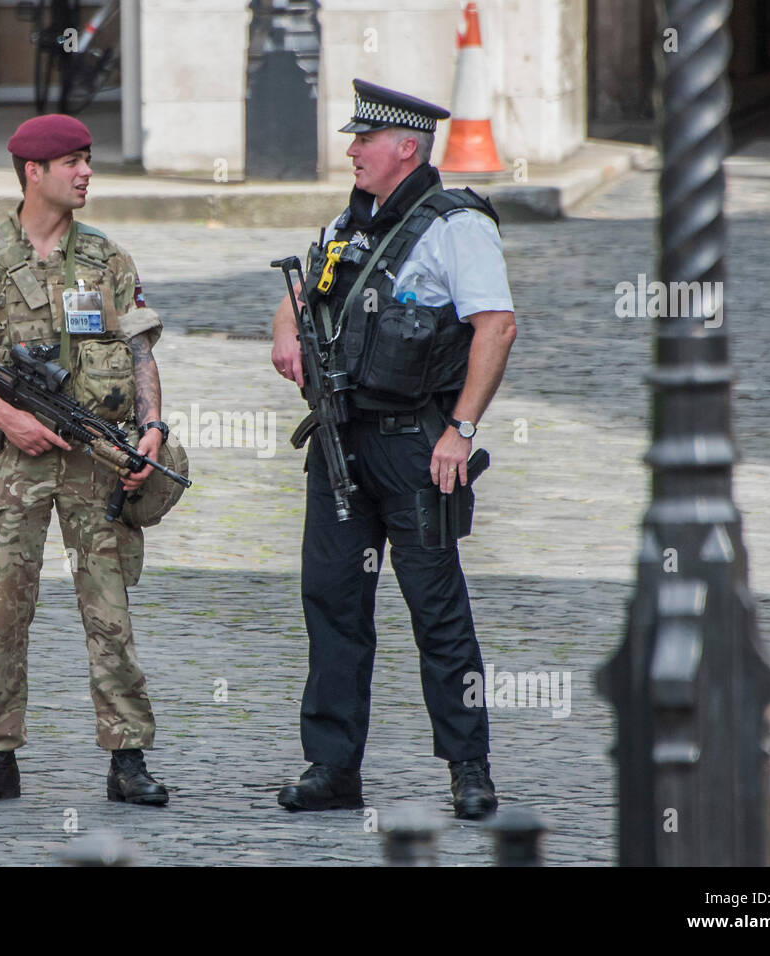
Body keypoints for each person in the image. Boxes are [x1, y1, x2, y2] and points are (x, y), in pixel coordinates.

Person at [270, 79, 517, 819]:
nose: (351, 150)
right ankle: (332, 767)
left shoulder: (456, 226)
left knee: (436, 609)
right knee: (334, 604)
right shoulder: (353, 221)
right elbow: (304, 289)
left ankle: (469, 768)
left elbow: (496, 326)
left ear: (404, 147)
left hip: (419, 445)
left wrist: (461, 429)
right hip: (343, 442)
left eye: (363, 140)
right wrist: (286, 331)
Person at [0, 114, 173, 806]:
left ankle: (128, 759)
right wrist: (8, 417)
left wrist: (151, 426)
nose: (86, 172)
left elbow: (142, 348)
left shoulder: (106, 259)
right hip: (15, 465)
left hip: (95, 459)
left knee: (110, 611)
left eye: (89, 160)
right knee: (5, 612)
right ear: (34, 172)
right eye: (72, 162)